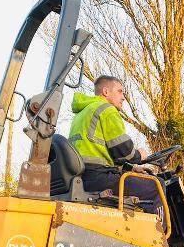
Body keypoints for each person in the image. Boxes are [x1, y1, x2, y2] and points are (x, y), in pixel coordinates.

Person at [68, 76, 163, 220]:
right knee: (157, 185)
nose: (123, 97)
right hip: (99, 178)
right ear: (106, 91)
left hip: (82, 177)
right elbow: (125, 152)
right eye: (120, 92)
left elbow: (102, 153)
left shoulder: (83, 113)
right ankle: (161, 236)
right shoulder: (106, 110)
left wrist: (130, 168)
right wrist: (140, 156)